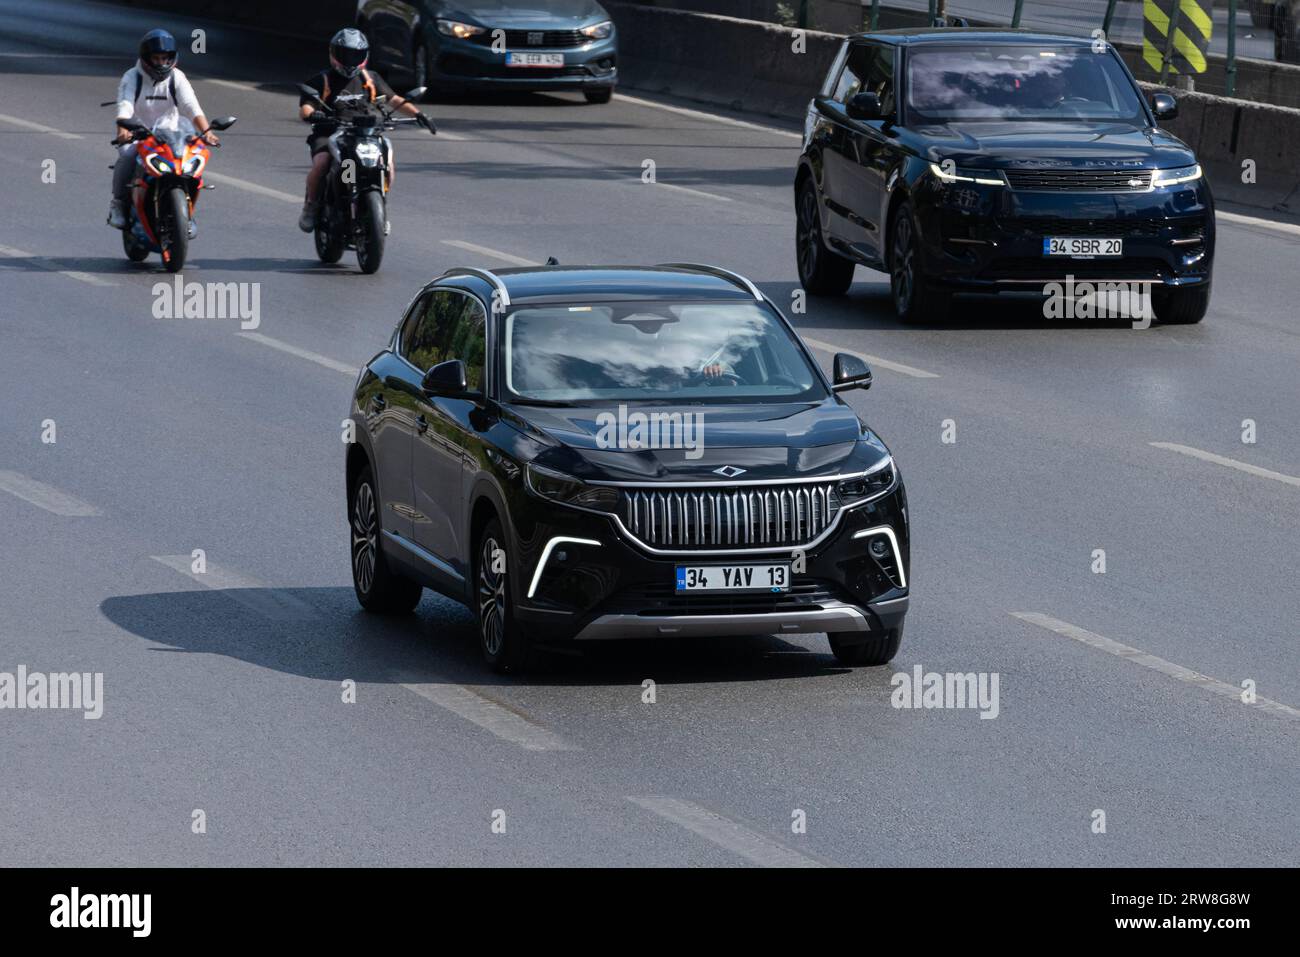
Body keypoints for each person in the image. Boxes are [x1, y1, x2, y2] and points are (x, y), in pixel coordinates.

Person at [297, 28, 435, 232]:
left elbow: (394, 99)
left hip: (365, 133)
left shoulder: (370, 79)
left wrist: (419, 114)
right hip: (331, 132)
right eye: (345, 54)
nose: (350, 59)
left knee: (386, 163)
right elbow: (306, 106)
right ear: (334, 53)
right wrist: (312, 114)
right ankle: (311, 206)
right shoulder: (323, 80)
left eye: (355, 54)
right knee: (322, 163)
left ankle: (380, 210)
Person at [109, 29, 219, 231]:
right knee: (126, 156)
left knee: (190, 162)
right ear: (146, 59)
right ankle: (118, 203)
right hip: (138, 134)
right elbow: (124, 105)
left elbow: (191, 106)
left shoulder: (177, 77)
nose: (161, 63)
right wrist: (123, 130)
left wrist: (207, 131)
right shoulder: (132, 76)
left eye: (164, 58)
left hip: (171, 135)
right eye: (156, 58)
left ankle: (187, 213)